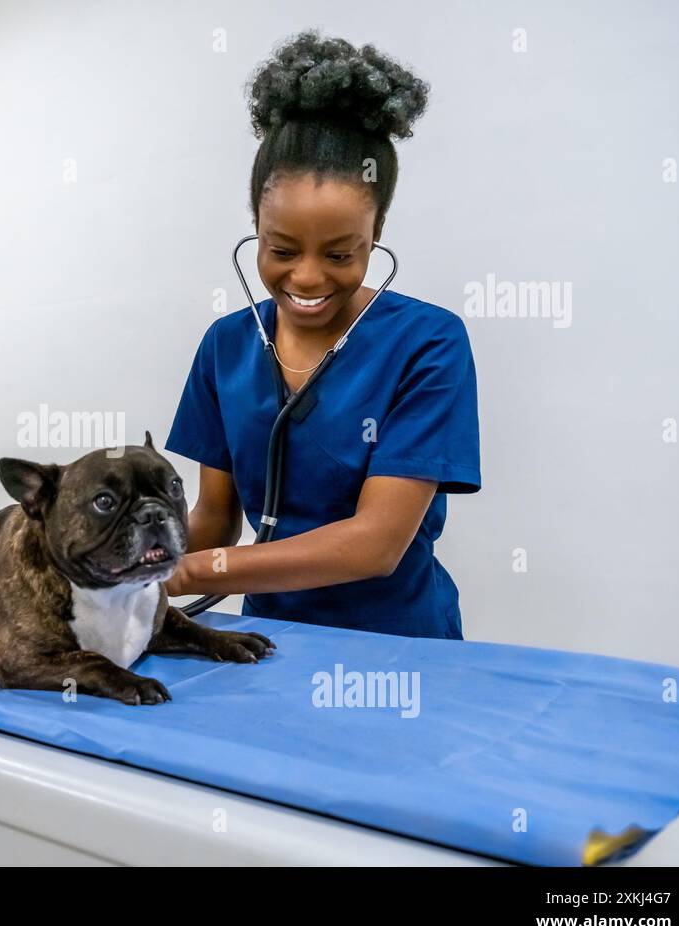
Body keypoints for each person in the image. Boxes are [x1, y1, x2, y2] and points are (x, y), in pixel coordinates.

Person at [164, 31, 480, 640]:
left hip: (401, 647)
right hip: (270, 642)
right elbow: (214, 518)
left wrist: (191, 573)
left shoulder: (429, 343)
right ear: (254, 223)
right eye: (281, 249)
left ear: (377, 230)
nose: (307, 278)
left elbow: (375, 545)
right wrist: (117, 560)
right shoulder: (227, 345)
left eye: (340, 254)